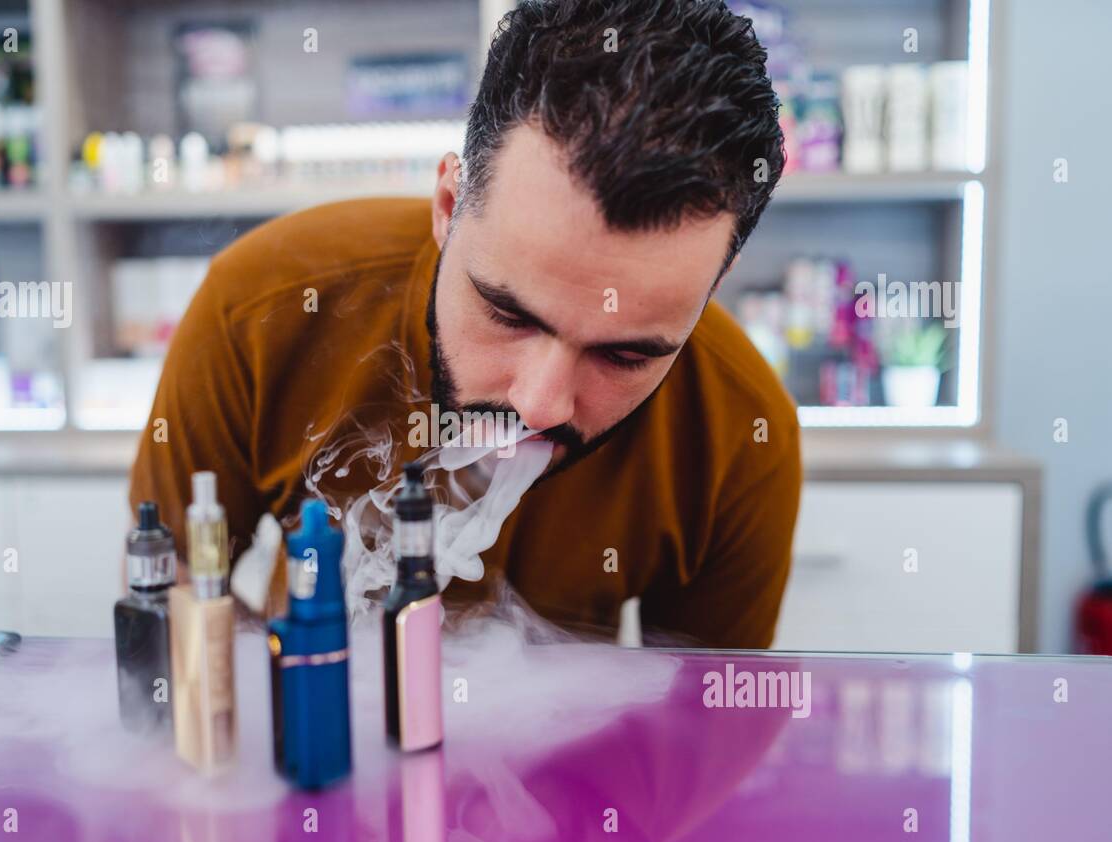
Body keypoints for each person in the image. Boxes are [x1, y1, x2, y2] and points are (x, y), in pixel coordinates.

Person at [129, 0, 801, 648]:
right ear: (449, 205)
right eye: (508, 313)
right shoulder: (259, 305)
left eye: (625, 357)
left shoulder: (740, 427)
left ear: (713, 288)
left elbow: (702, 719)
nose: (539, 403)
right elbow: (177, 582)